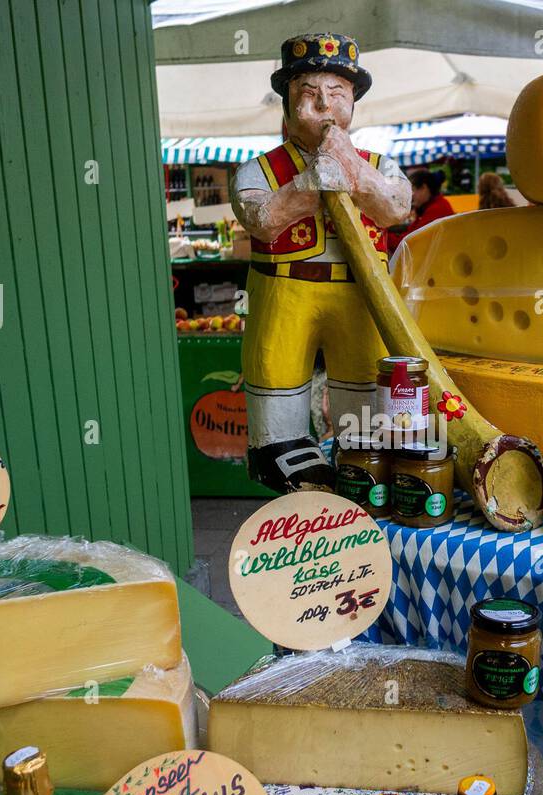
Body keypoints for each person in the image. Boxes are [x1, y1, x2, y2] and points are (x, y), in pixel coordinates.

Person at [230, 33, 412, 492]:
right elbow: (263, 219)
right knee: (278, 377)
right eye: (309, 95)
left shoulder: (378, 164)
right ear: (288, 107)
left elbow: (395, 207)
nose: (324, 107)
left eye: (337, 95)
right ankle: (281, 452)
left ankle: (360, 460)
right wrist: (313, 181)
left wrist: (353, 169)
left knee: (363, 388)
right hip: (283, 289)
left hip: (359, 296)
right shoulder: (258, 170)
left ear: (353, 103)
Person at [388, 169, 455, 252]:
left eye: (413, 190)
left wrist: (381, 235)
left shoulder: (437, 209)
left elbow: (405, 244)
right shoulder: (434, 205)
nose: (410, 195)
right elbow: (409, 232)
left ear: (424, 188)